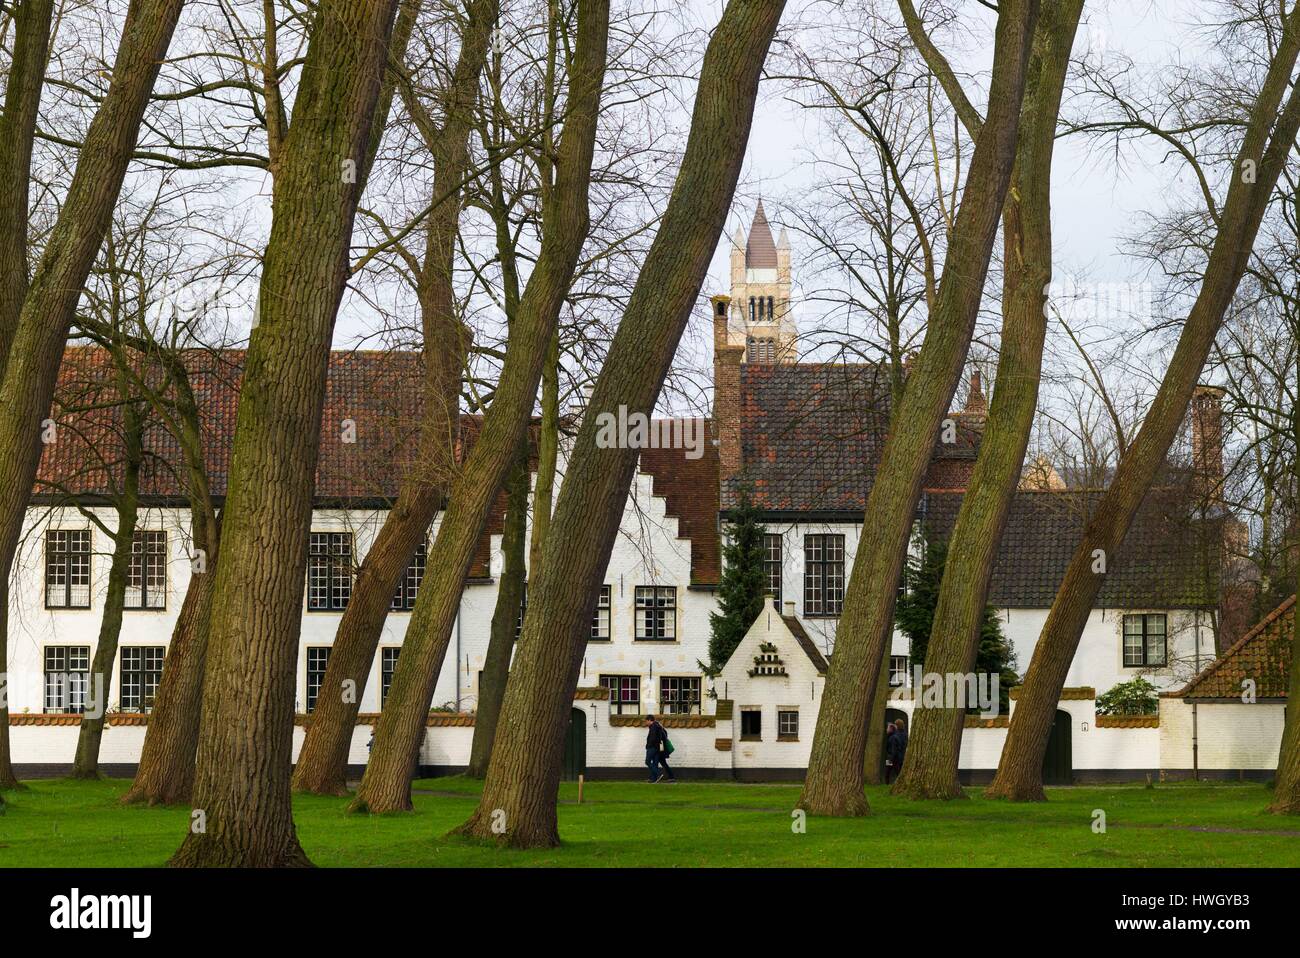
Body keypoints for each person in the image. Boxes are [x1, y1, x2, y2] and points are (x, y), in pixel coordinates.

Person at [644, 714, 676, 783]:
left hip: (655, 748)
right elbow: (665, 734)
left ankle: (658, 775)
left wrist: (648, 746)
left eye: (646, 721)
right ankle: (654, 778)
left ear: (650, 720)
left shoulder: (654, 727)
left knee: (648, 761)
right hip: (660, 748)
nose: (645, 723)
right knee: (657, 763)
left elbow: (653, 738)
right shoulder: (659, 726)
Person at [887, 716, 908, 783]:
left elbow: (894, 747)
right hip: (901, 756)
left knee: (889, 770)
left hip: (893, 756)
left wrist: (891, 758)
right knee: (896, 770)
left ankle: (887, 783)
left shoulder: (895, 735)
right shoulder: (904, 734)